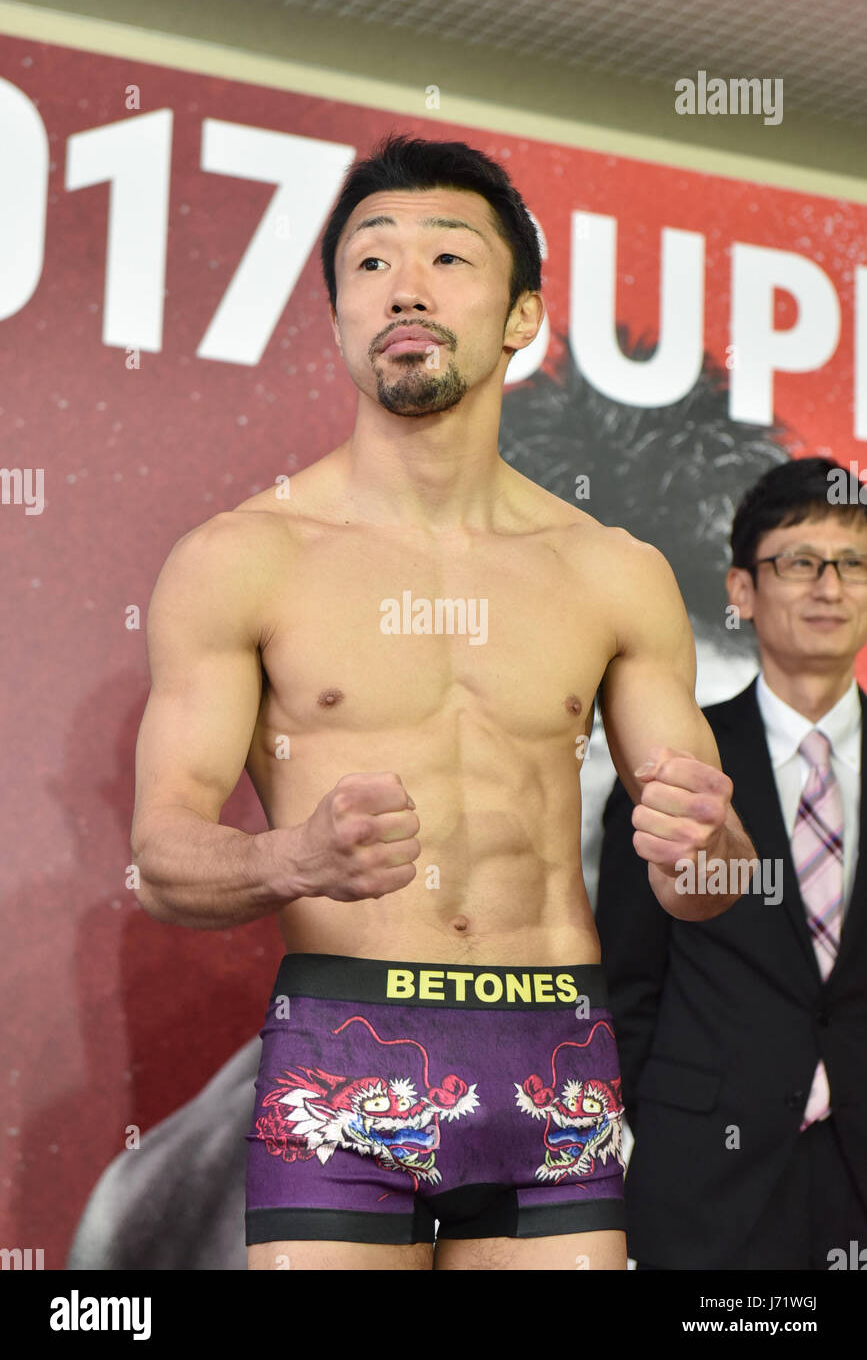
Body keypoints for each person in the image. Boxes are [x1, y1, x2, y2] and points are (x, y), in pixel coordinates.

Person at [131, 132, 757, 1272]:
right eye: (370, 264)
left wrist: (705, 845)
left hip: (555, 1059)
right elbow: (163, 857)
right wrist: (292, 860)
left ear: (522, 318)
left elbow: (710, 880)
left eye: (448, 257)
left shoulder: (614, 572)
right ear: (336, 319)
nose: (403, 285)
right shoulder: (241, 559)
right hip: (345, 1058)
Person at [596, 456, 867, 1270]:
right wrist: (671, 1118)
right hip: (708, 1181)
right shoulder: (675, 762)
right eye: (798, 562)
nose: (829, 586)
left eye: (852, 563)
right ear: (741, 591)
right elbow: (626, 979)